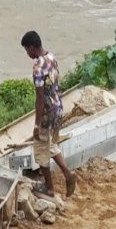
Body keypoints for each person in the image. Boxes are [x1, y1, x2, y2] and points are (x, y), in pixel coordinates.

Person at [21, 30, 77, 199]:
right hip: (58, 108)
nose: (27, 54)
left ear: (32, 47)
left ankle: (50, 188)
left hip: (46, 113)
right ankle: (67, 173)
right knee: (51, 144)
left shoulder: (38, 66)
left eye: (27, 50)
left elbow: (39, 98)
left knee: (40, 149)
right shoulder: (51, 58)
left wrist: (37, 124)